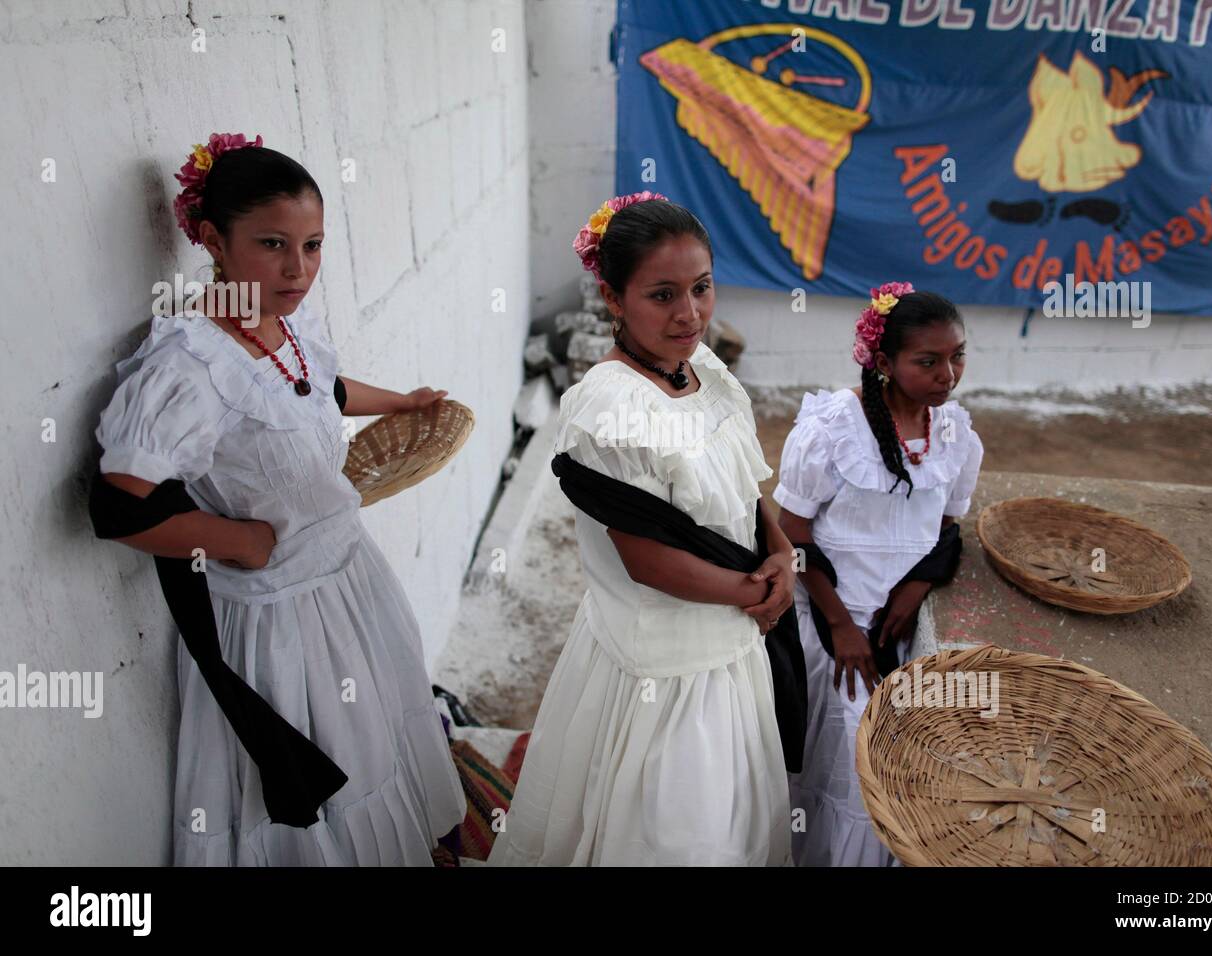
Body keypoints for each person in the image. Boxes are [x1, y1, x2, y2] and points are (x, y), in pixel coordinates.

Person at [91, 132, 466, 865]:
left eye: (314, 245)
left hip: (350, 585)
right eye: (272, 243)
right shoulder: (189, 366)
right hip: (279, 621)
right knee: (323, 778)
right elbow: (118, 507)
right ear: (211, 239)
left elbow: (315, 388)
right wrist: (241, 541)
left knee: (380, 742)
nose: (299, 269)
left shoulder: (284, 324)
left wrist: (403, 400)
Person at [488, 194, 798, 865]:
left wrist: (781, 554)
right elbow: (650, 563)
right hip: (667, 668)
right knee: (675, 828)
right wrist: (759, 594)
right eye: (662, 295)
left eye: (701, 288)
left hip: (728, 644)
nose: (689, 313)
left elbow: (742, 485)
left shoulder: (701, 370)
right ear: (613, 298)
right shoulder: (611, 411)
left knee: (730, 820)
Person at [775, 284, 983, 866]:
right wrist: (839, 625)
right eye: (929, 361)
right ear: (884, 363)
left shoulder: (956, 436)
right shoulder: (832, 431)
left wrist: (916, 587)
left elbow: (946, 529)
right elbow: (791, 540)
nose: (949, 374)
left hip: (904, 627)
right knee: (849, 760)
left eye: (957, 356)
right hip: (832, 619)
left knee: (904, 763)